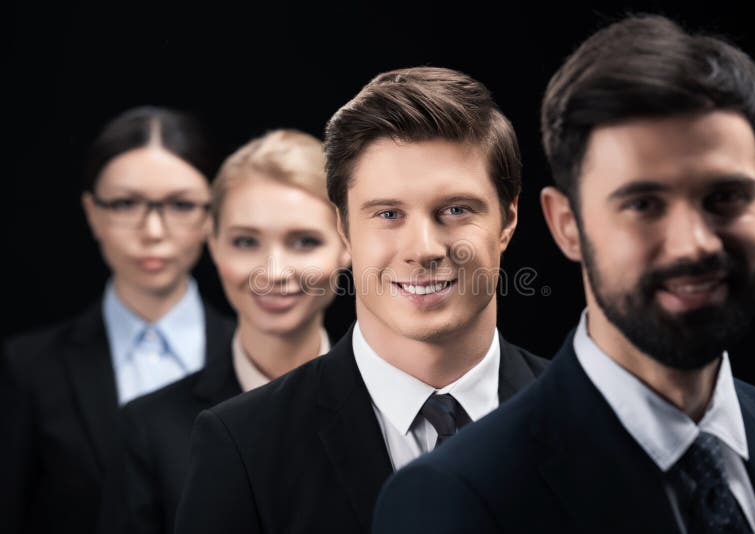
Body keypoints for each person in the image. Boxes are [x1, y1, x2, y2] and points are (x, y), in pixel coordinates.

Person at [372, 14, 755, 534]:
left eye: (726, 197)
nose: (696, 244)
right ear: (567, 226)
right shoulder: (457, 499)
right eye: (643, 204)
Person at [174, 66, 549, 534]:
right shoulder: (243, 446)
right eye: (389, 214)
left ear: (508, 219)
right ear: (344, 230)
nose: (424, 248)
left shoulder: (589, 422)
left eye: (455, 210)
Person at [98, 128, 349, 534]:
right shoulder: (149, 428)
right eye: (246, 241)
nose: (273, 273)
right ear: (212, 245)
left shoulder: (393, 411)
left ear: (347, 245)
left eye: (304, 241)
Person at [0, 106, 234, 534]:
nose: (153, 230)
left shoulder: (255, 355)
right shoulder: (28, 368)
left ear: (211, 215)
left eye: (181, 204)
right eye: (126, 203)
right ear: (92, 212)